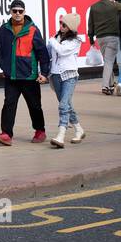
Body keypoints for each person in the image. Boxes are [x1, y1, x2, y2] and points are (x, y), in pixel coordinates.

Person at [0, 0, 51, 146]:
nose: (17, 14)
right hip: (11, 76)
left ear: (24, 12)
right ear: (10, 12)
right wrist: (4, 67)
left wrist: (44, 73)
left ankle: (40, 131)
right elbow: (0, 49)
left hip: (29, 76)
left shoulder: (32, 29)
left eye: (20, 11)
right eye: (14, 11)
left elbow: (42, 53)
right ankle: (6, 134)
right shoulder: (4, 29)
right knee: (9, 104)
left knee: (34, 105)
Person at [46, 13, 85, 147]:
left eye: (64, 25)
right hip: (55, 75)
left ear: (71, 27)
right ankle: (79, 129)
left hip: (69, 75)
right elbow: (49, 55)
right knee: (67, 105)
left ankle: (61, 135)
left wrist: (51, 41)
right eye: (60, 23)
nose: (61, 26)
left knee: (63, 105)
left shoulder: (75, 41)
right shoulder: (56, 38)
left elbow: (62, 51)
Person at [87, 0, 121, 95]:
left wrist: (91, 39)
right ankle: (105, 86)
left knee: (108, 61)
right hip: (113, 37)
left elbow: (90, 23)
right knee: (109, 61)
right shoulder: (115, 5)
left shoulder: (94, 6)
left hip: (100, 38)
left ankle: (111, 84)